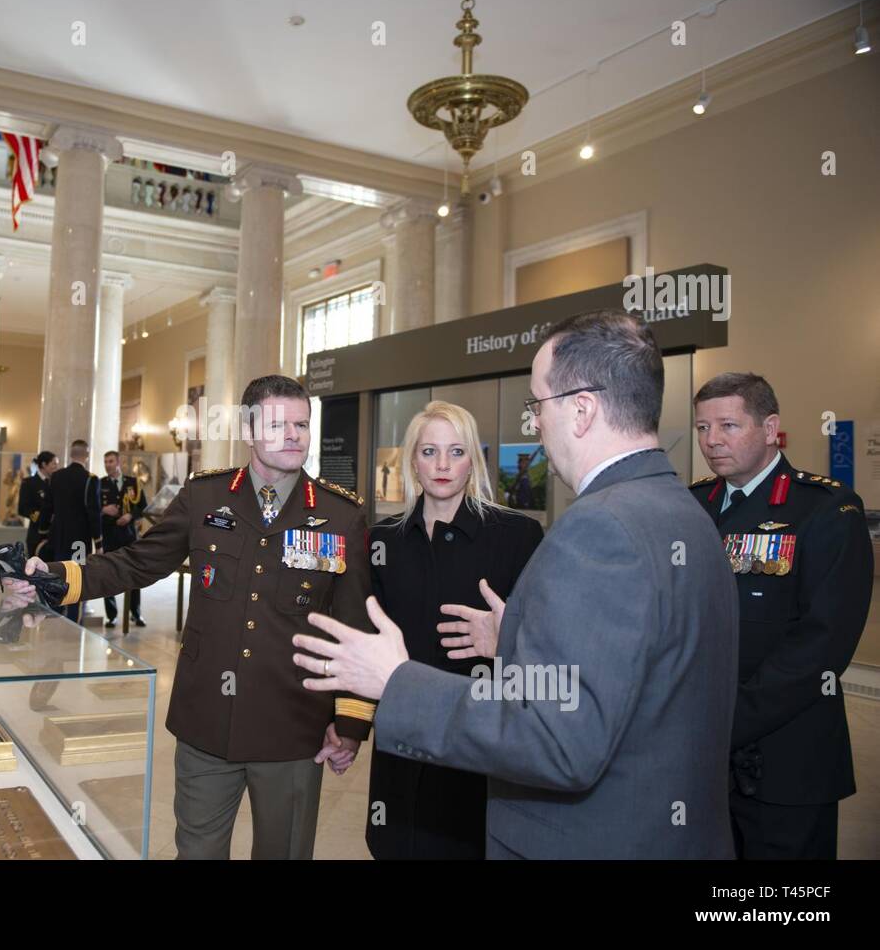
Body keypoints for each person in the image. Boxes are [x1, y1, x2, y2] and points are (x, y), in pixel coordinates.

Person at [294, 309, 740, 858]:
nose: (534, 425)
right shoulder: (686, 511)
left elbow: (560, 740)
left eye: (538, 405)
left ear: (581, 409)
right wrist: (516, 639)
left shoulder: (599, 529)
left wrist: (397, 680)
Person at [3, 375, 377, 859]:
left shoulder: (339, 514)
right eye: (278, 423)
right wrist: (54, 576)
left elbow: (354, 626)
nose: (293, 435)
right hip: (207, 722)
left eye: (302, 424)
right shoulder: (205, 497)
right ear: (248, 429)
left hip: (293, 727)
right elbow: (138, 562)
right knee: (197, 852)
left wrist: (350, 722)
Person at [691, 372, 873, 859]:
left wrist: (726, 721)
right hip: (700, 756)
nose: (712, 441)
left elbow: (822, 643)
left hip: (788, 755)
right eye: (702, 429)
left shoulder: (827, 509)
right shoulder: (691, 506)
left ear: (770, 428)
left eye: (728, 425)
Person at [366, 401, 543, 860]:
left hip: (478, 742)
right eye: (429, 452)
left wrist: (507, 640)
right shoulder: (383, 541)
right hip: (401, 741)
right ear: (412, 461)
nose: (442, 465)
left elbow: (551, 646)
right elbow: (370, 642)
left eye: (456, 451)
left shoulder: (517, 536)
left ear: (473, 461)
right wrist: (349, 723)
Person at [90, 449, 149, 629]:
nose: (107, 465)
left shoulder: (133, 483)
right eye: (105, 461)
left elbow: (143, 507)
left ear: (118, 462)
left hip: (130, 536)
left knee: (134, 573)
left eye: (110, 461)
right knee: (109, 574)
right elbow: (92, 509)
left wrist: (130, 516)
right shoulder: (100, 483)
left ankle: (135, 613)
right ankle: (112, 615)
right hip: (109, 536)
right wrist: (103, 510)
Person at [46, 440, 97, 623]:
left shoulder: (57, 476)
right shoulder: (90, 479)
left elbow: (49, 507)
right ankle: (74, 618)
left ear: (70, 454)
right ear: (87, 455)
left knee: (58, 574)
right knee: (76, 577)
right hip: (79, 539)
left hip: (59, 536)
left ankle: (56, 613)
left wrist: (45, 533)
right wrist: (98, 541)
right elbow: (93, 512)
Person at [17, 450, 57, 557]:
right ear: (44, 464)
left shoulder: (56, 483)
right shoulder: (29, 483)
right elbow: (23, 508)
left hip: (53, 534)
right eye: (54, 463)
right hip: (36, 534)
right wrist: (43, 517)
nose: (56, 467)